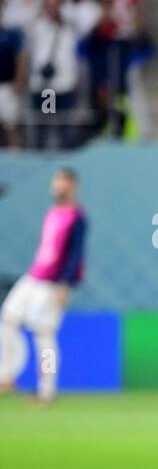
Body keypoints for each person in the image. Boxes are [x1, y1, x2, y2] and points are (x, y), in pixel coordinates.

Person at [0, 167, 86, 401]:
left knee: (44, 334)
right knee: (8, 318)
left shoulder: (76, 217)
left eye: (62, 182)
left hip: (53, 283)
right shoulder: (52, 212)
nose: (57, 185)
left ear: (72, 185)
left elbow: (75, 254)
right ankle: (7, 374)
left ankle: (46, 389)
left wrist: (65, 285)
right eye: (56, 181)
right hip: (34, 276)